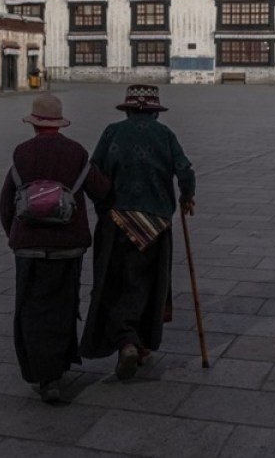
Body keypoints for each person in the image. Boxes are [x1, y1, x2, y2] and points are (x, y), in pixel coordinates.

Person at [0, 93, 109, 404]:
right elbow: (100, 189)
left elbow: (6, 202)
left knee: (30, 309)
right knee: (62, 307)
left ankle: (40, 373)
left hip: (28, 249)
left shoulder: (22, 153)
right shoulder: (75, 152)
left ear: (34, 124)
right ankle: (57, 372)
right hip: (67, 248)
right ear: (59, 124)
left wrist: (16, 236)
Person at [80, 84, 195, 380]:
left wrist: (103, 204)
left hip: (117, 222)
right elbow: (185, 170)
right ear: (155, 113)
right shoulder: (165, 135)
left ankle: (126, 341)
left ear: (128, 110)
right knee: (150, 284)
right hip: (156, 224)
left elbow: (94, 173)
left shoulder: (112, 132)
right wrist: (186, 196)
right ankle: (139, 342)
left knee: (115, 284)